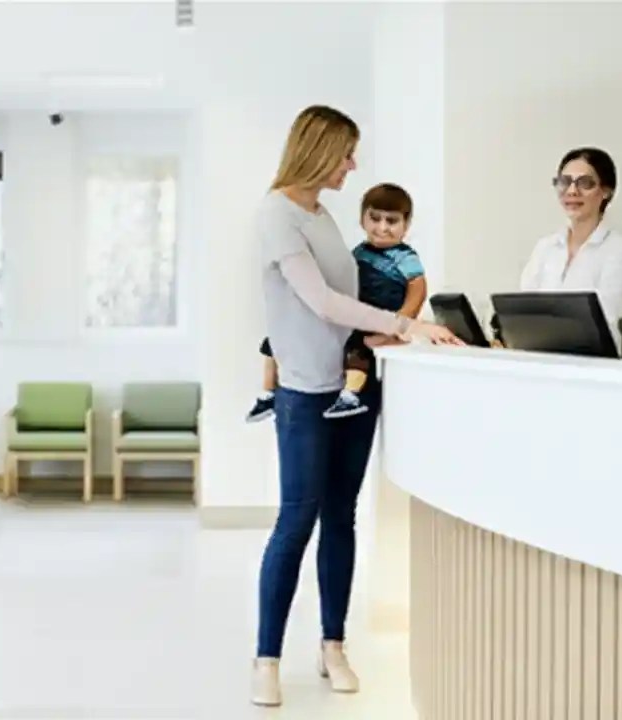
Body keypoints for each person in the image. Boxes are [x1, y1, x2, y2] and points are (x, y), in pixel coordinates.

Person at [250, 104, 462, 708]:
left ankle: (332, 644)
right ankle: (266, 656)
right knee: (297, 521)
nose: (353, 165)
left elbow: (346, 302)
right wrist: (407, 324)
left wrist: (388, 334)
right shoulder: (277, 215)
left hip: (353, 394)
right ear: (320, 150)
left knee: (341, 516)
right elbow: (318, 302)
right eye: (347, 153)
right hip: (303, 391)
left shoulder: (321, 216)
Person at [246, 183, 426, 422]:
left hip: (377, 322)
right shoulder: (358, 252)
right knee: (274, 341)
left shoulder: (406, 258)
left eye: (391, 221)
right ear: (362, 219)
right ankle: (268, 393)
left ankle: (351, 395)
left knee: (357, 350)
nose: (382, 228)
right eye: (375, 218)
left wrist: (402, 322)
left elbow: (418, 289)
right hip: (351, 317)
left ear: (406, 225)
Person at [493, 146, 622, 346]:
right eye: (565, 182)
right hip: (539, 358)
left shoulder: (620, 250)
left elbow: (607, 322)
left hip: (592, 364)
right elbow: (522, 312)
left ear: (606, 191)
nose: (572, 191)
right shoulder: (546, 247)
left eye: (585, 183)